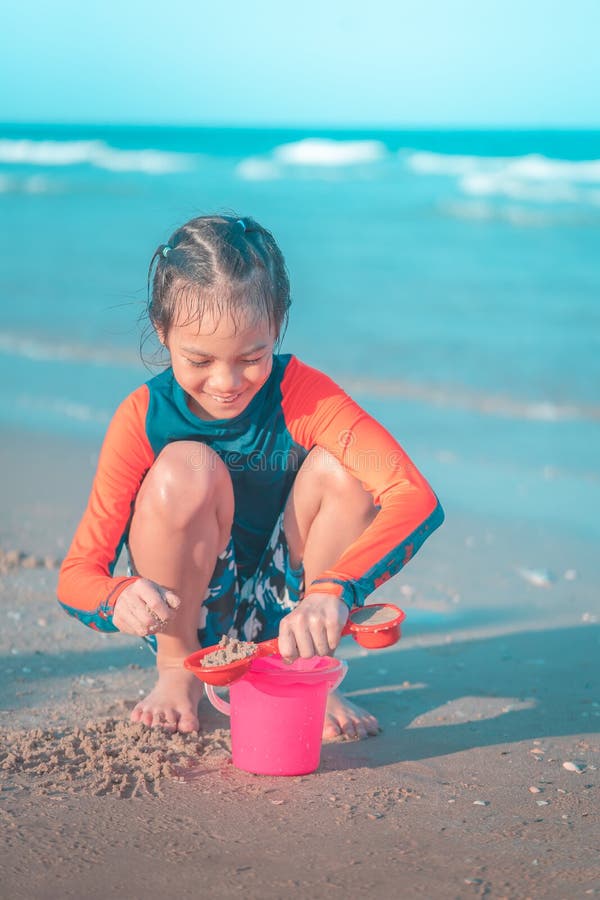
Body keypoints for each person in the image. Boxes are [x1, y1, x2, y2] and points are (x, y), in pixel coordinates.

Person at [57, 214, 444, 740]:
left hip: (293, 612)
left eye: (252, 357)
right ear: (161, 329)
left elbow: (411, 495)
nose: (226, 382)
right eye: (199, 359)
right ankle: (178, 671)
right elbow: (78, 574)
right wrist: (117, 596)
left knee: (343, 471)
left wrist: (335, 589)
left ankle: (309, 668)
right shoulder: (143, 417)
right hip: (182, 616)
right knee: (186, 465)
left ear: (278, 325)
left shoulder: (306, 395)